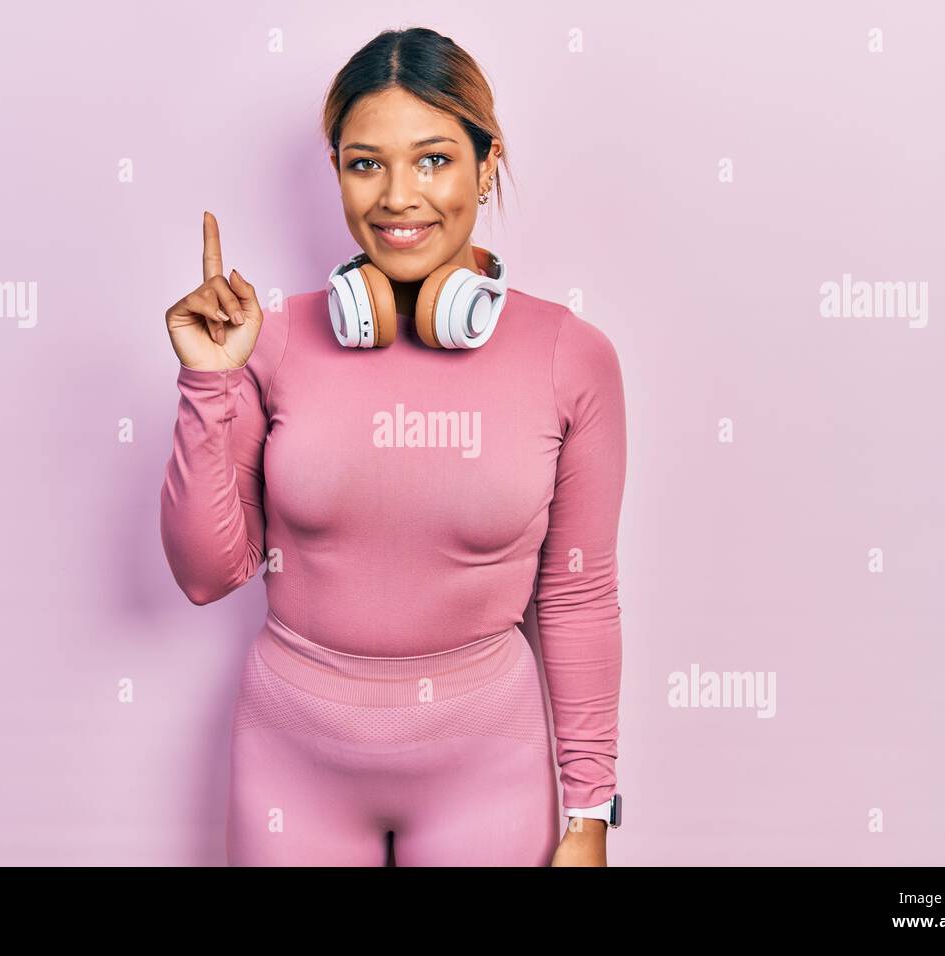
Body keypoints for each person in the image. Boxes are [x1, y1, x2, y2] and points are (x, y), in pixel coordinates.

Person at [160, 27, 626, 866]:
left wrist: (589, 814)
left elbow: (577, 599)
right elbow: (206, 575)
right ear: (337, 172)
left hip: (487, 771)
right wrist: (208, 384)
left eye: (436, 159)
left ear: (487, 167)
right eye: (365, 163)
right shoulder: (269, 340)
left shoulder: (571, 356)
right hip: (289, 767)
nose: (398, 197)